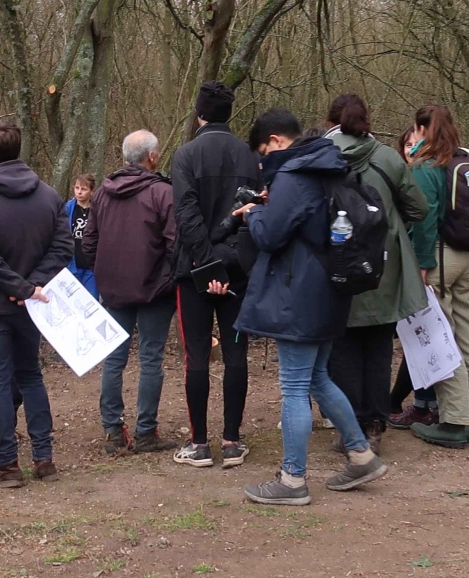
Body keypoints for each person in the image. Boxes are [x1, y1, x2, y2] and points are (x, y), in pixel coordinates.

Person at [235, 108, 391, 505]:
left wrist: (255, 213)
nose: (263, 162)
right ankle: (361, 456)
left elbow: (270, 236)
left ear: (275, 140)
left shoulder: (293, 175)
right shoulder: (329, 166)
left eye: (263, 152)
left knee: (294, 385)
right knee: (318, 378)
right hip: (329, 290)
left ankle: (292, 480)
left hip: (298, 296)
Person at [0, 118, 73, 487]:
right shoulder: (49, 195)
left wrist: (24, 287)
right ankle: (43, 457)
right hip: (32, 303)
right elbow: (63, 247)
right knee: (30, 375)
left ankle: (7, 465)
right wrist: (29, 286)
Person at [323, 94, 429, 444]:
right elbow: (419, 208)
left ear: (331, 122)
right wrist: (391, 219)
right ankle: (375, 423)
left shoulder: (319, 157)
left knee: (342, 348)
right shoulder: (387, 157)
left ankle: (350, 427)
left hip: (336, 262)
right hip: (383, 265)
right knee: (380, 346)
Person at [168, 81, 264, 468]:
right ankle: (231, 441)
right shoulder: (250, 157)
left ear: (199, 115)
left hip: (195, 270)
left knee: (196, 356)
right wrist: (223, 264)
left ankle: (200, 444)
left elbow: (186, 216)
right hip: (235, 269)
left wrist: (208, 265)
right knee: (235, 354)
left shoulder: (185, 155)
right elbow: (251, 216)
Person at [406, 104, 469, 448]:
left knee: (441, 340)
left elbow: (424, 217)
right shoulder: (467, 159)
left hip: (440, 259)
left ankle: (453, 422)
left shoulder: (426, 165)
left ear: (421, 129)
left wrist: (421, 262)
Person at [78, 131, 179, 454]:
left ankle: (113, 430)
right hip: (154, 290)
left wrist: (104, 273)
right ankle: (145, 431)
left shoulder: (102, 195)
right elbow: (175, 244)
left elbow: (88, 242)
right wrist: (167, 278)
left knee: (114, 358)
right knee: (150, 358)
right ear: (152, 156)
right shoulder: (163, 193)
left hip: (116, 289)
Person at [66, 175, 100, 300]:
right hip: (72, 263)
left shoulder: (97, 210)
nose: (79, 192)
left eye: (84, 189)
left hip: (91, 265)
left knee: (91, 299)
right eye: (77, 188)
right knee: (72, 300)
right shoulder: (68, 208)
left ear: (92, 191)